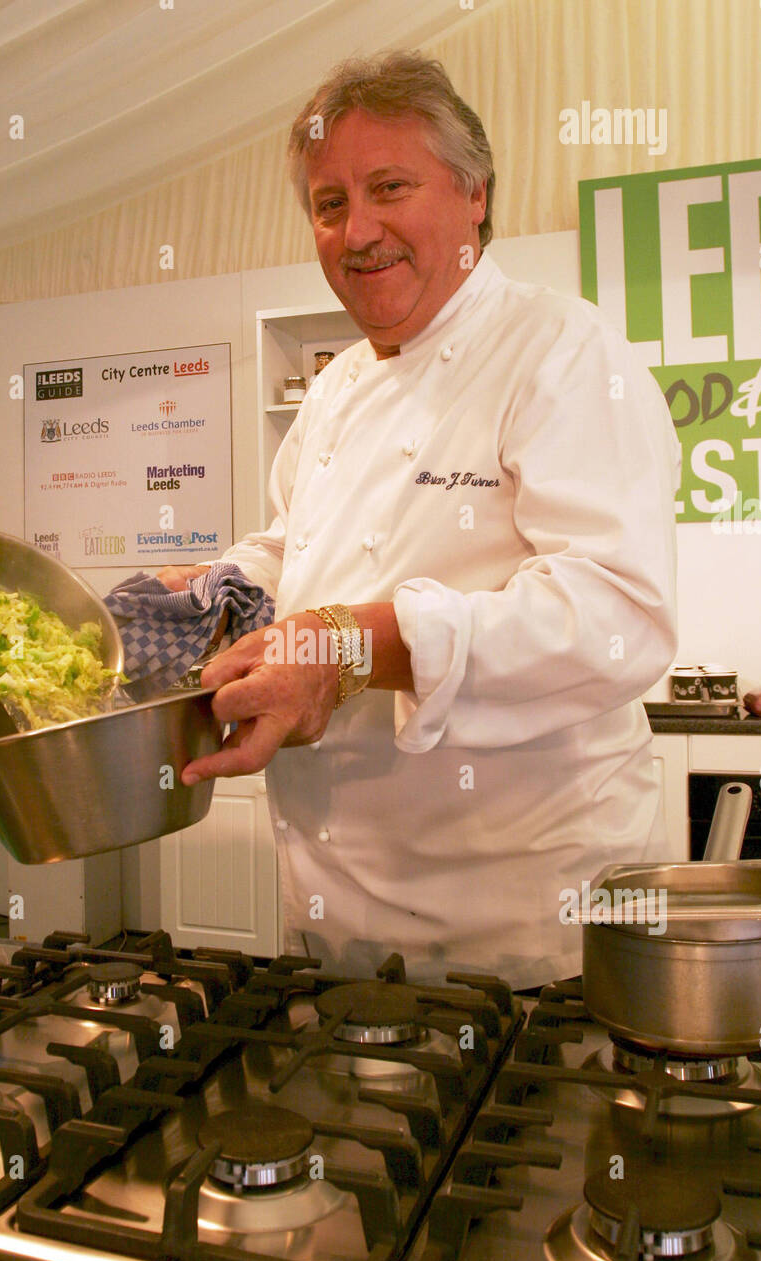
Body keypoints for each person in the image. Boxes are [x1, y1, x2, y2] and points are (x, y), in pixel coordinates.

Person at [158, 51, 679, 988]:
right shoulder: (337, 387)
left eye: (389, 187)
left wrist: (351, 647)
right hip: (333, 923)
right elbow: (296, 547)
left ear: (475, 194)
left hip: (519, 935)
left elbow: (615, 620)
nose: (358, 231)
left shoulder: (562, 350)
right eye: (328, 204)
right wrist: (205, 594)